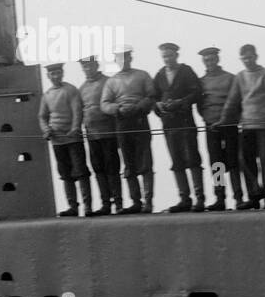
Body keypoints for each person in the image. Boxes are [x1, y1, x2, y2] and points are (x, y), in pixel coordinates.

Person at [219, 44, 265, 209]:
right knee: (243, 160)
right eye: (244, 58)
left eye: (250, 57)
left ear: (256, 56)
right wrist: (223, 119)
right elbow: (232, 101)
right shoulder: (239, 77)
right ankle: (253, 195)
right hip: (247, 125)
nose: (247, 61)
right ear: (241, 59)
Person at [100, 45, 157, 214]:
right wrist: (118, 109)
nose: (122, 61)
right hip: (122, 123)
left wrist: (140, 106)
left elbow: (152, 96)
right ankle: (136, 201)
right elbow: (104, 104)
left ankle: (148, 202)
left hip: (140, 120)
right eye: (119, 58)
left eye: (125, 57)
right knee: (129, 164)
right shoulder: (112, 81)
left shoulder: (142, 75)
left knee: (145, 163)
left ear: (130, 58)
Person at [153, 43, 205, 213]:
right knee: (176, 162)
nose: (167, 59)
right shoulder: (160, 75)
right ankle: (184, 198)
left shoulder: (186, 71)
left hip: (185, 123)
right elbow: (153, 98)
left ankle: (200, 198)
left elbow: (197, 93)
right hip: (169, 125)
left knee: (193, 159)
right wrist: (159, 106)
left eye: (170, 56)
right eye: (164, 56)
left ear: (176, 55)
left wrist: (181, 102)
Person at [39, 63, 93, 217]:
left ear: (62, 73)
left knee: (81, 172)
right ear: (48, 76)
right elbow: (42, 116)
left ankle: (87, 206)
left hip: (73, 138)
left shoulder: (70, 90)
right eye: (53, 74)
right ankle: (72, 206)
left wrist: (75, 128)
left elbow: (77, 111)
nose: (56, 76)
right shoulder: (47, 95)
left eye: (58, 73)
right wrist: (46, 130)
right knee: (65, 174)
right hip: (57, 140)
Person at [197, 47, 244, 211]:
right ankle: (220, 198)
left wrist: (231, 119)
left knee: (233, 162)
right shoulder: (201, 82)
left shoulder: (231, 78)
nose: (209, 63)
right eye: (206, 60)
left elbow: (237, 101)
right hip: (211, 127)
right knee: (216, 164)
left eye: (212, 59)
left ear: (218, 59)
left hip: (230, 125)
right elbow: (200, 105)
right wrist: (207, 119)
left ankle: (238, 197)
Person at [78, 55, 122, 215]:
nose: (87, 70)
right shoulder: (82, 88)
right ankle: (105, 204)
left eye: (89, 66)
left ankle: (118, 203)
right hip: (92, 135)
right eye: (84, 67)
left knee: (112, 169)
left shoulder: (108, 82)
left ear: (96, 65)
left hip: (109, 133)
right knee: (99, 169)